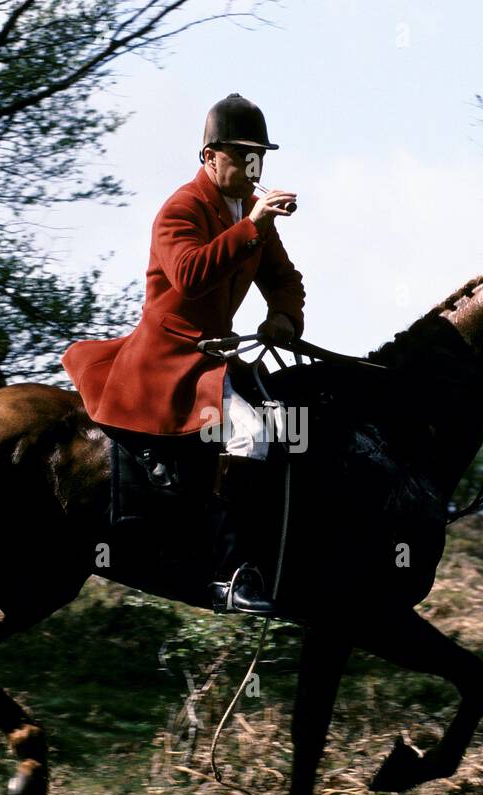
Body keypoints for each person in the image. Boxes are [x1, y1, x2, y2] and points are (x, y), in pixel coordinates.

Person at [61, 93, 305, 614]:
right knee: (251, 433)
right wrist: (253, 225)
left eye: (258, 155)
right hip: (166, 359)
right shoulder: (182, 208)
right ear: (209, 157)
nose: (251, 166)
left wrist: (282, 317)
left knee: (294, 420)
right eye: (241, 155)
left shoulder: (249, 217)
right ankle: (230, 574)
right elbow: (191, 276)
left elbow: (284, 280)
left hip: (214, 358)